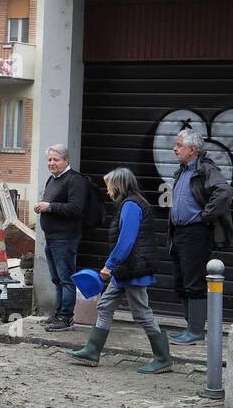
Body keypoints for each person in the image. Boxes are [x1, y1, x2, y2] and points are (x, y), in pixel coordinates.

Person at [68, 167, 172, 373]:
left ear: (118, 186)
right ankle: (92, 351)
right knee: (105, 305)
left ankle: (163, 358)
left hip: (133, 268)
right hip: (127, 269)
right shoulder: (131, 203)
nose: (108, 191)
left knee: (142, 313)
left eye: (109, 186)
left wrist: (110, 264)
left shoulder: (132, 206)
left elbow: (127, 240)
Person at [167, 129, 233, 343]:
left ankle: (196, 332)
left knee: (194, 282)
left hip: (195, 234)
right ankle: (190, 327)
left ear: (192, 150)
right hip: (179, 233)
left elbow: (224, 192)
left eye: (179, 145)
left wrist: (205, 215)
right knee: (181, 281)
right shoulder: (182, 171)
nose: (175, 148)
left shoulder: (206, 169)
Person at [33, 144, 92, 332]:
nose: (51, 163)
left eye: (55, 159)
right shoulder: (53, 179)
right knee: (57, 279)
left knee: (66, 279)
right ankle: (58, 314)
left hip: (65, 238)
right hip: (51, 238)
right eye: (49, 159)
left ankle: (66, 317)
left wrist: (49, 206)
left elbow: (76, 208)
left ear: (66, 160)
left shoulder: (74, 180)